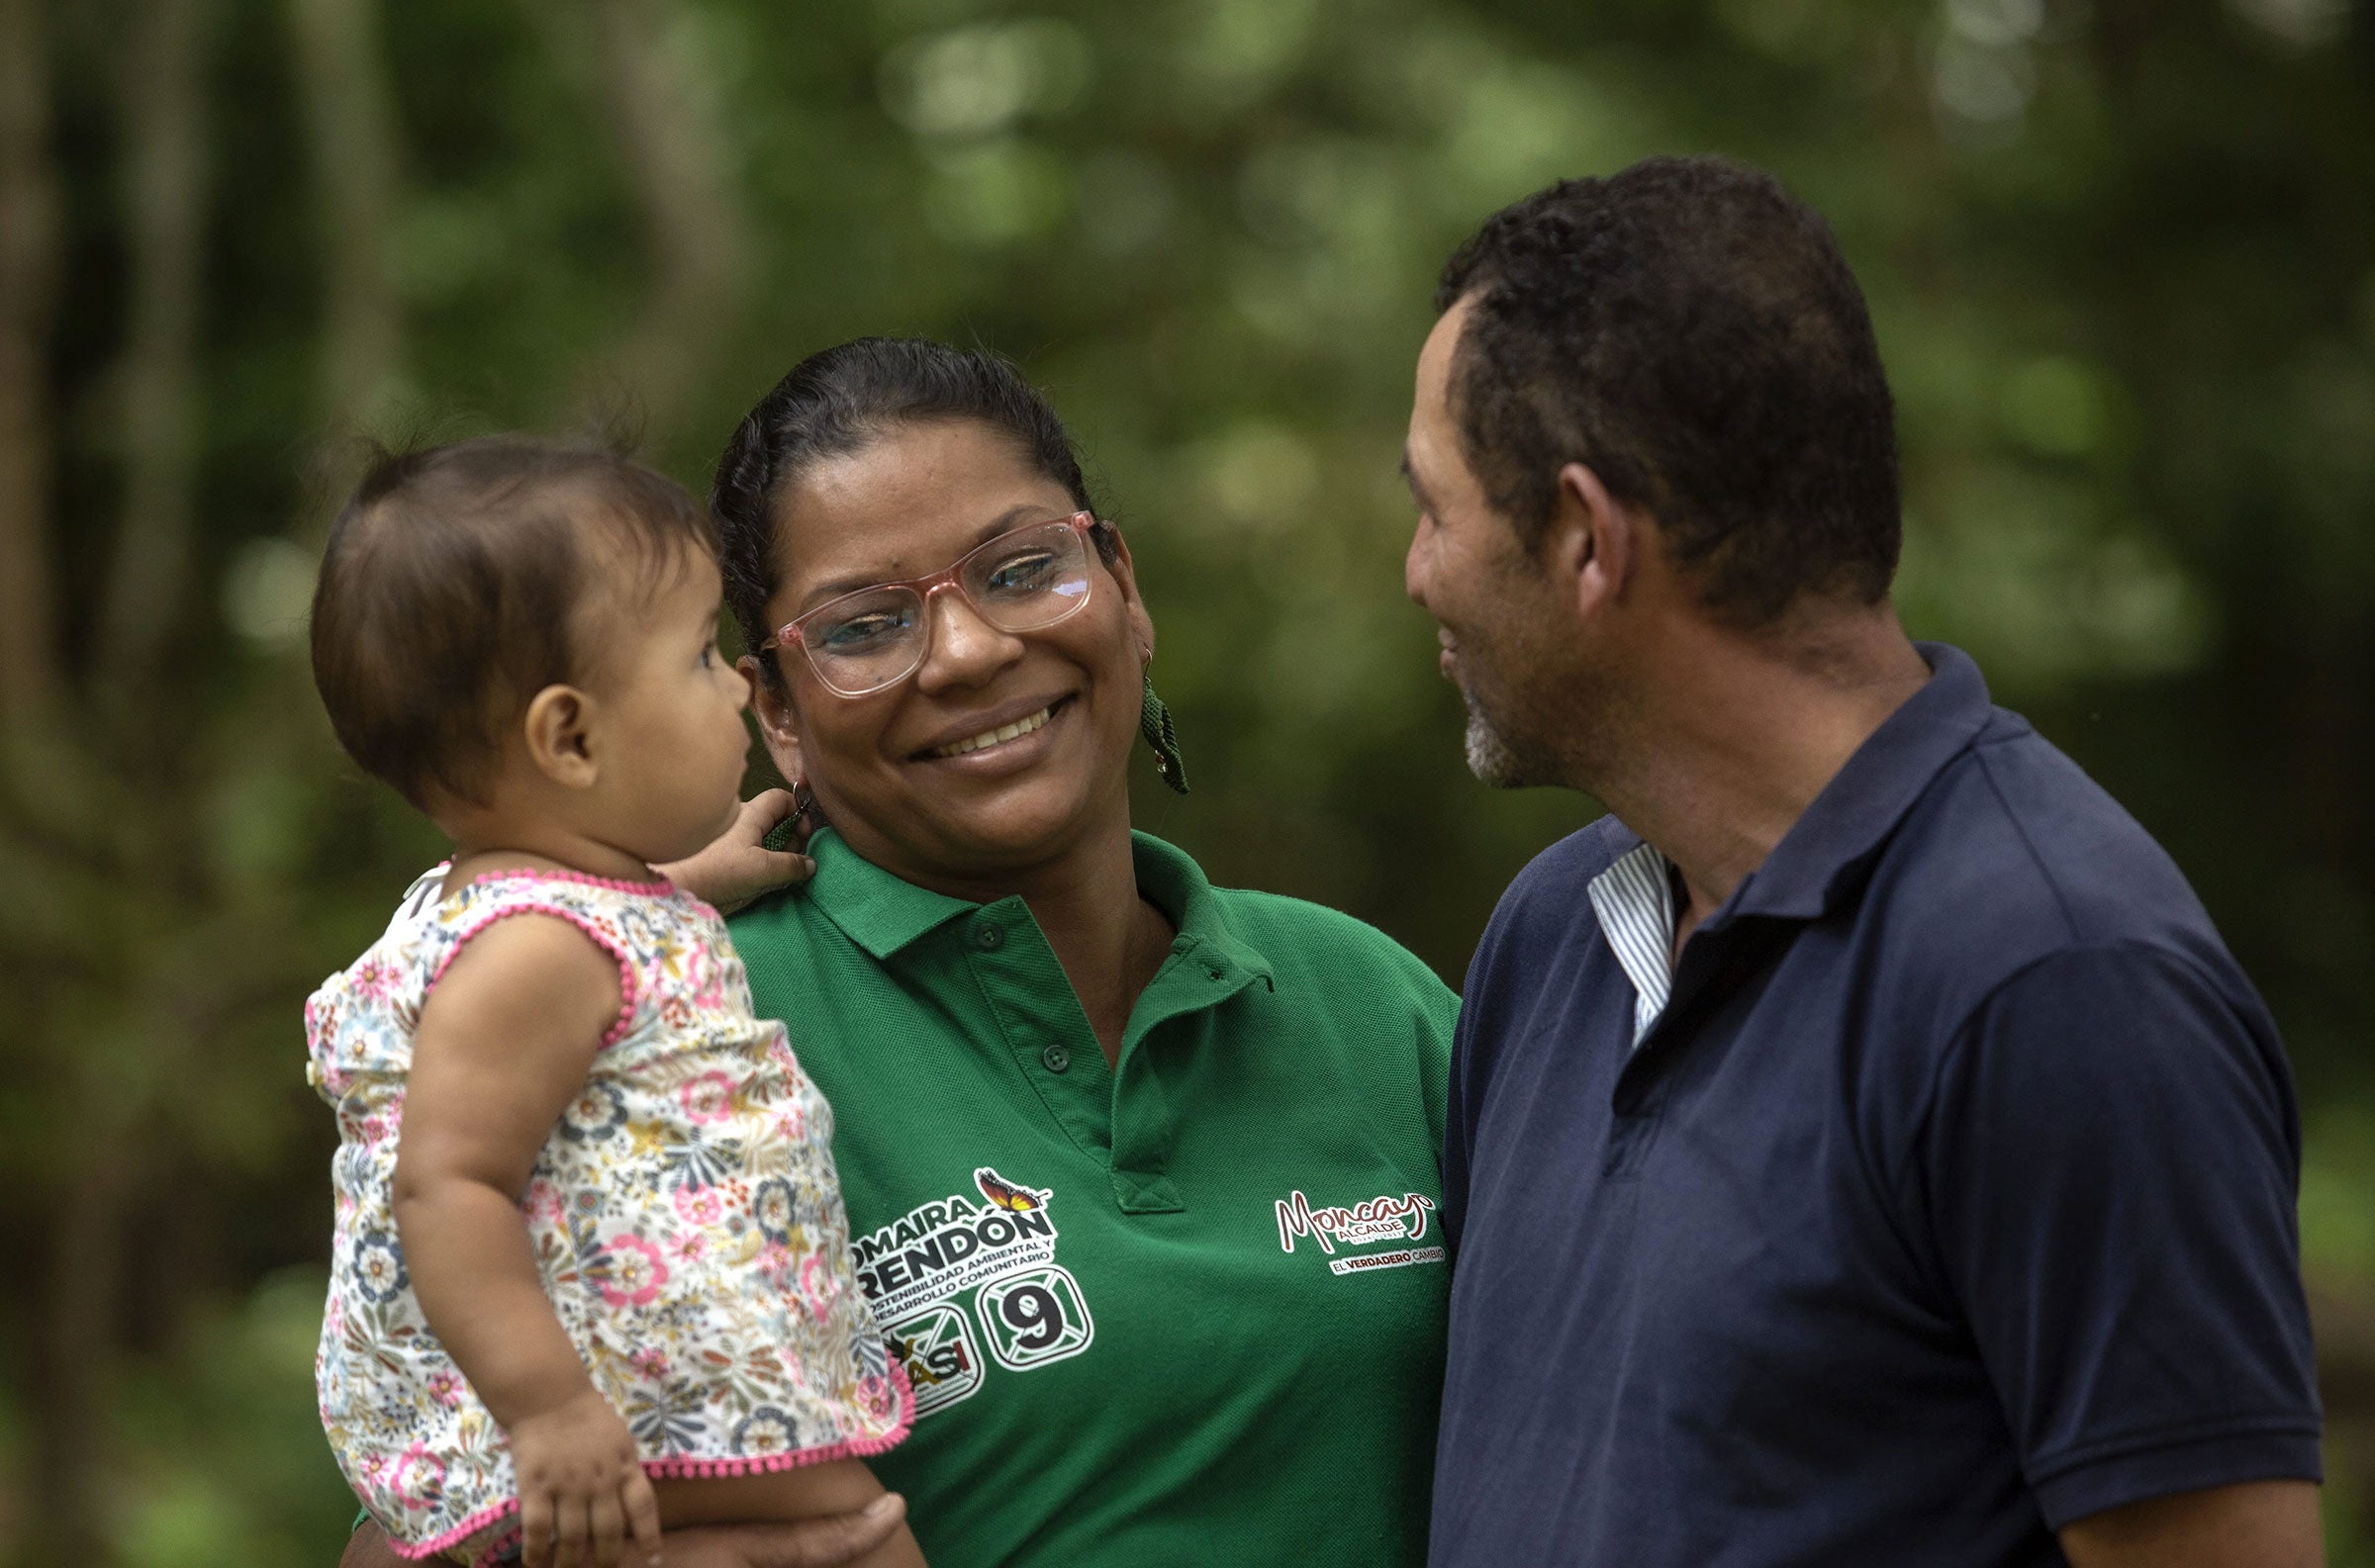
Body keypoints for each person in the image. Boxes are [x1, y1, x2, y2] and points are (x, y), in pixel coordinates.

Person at [345, 338, 1460, 1568]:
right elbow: (435, 1507)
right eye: (864, 626)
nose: (971, 650)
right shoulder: (677, 1031)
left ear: (1123, 584)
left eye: (1025, 567)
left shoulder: (1375, 1001)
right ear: (775, 710)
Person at [1403, 155, 2326, 1566]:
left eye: (1433, 507)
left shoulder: (2060, 981)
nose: (1417, 572)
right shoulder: (1551, 940)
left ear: (1587, 539)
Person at [306, 438, 922, 1568]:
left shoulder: (539, 913)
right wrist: (550, 1411)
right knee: (863, 1537)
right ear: (570, 737)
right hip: (623, 1421)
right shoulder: (534, 953)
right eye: (696, 658)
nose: (739, 679)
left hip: (650, 1405)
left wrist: (696, 878)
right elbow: (448, 1184)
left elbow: (610, 943)